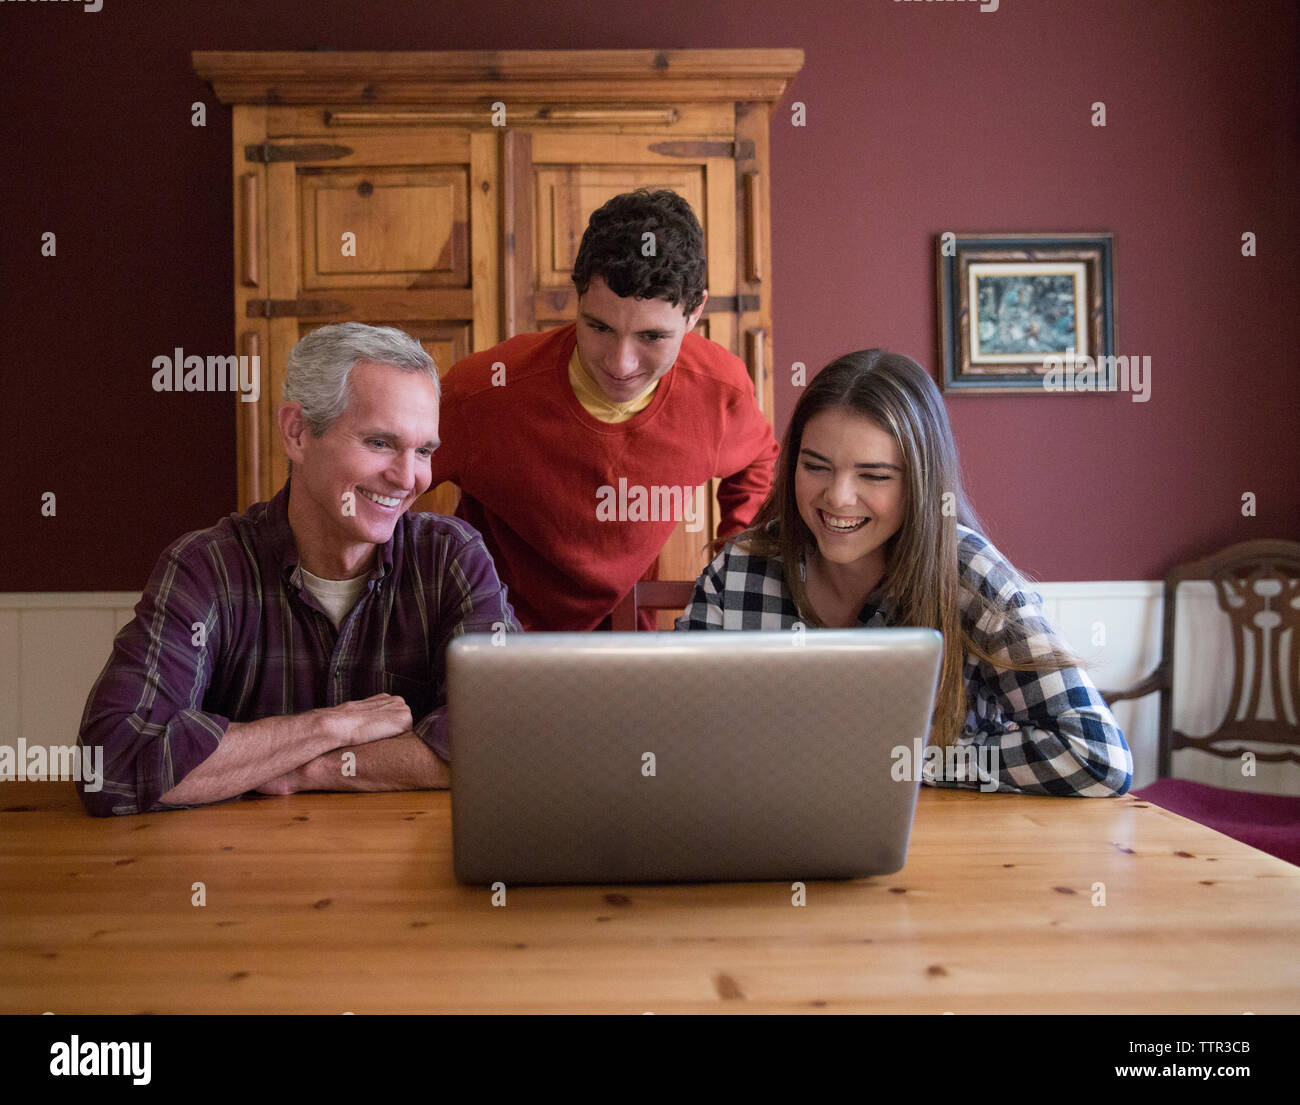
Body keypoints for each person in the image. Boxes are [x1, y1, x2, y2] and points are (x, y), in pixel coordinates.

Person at [77, 323, 517, 816]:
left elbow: (510, 742)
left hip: (407, 880)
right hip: (238, 881)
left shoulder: (452, 558)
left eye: (424, 451)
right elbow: (112, 762)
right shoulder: (207, 568)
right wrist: (330, 726)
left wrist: (307, 768)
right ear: (297, 433)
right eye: (378, 442)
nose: (408, 476)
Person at [676, 349, 1132, 797]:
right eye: (816, 466)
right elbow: (670, 730)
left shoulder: (971, 575)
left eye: (873, 476)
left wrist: (905, 761)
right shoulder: (739, 567)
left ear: (919, 481)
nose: (837, 498)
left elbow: (1095, 754)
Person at [426, 189, 779, 630]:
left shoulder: (719, 390)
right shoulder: (482, 390)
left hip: (628, 645)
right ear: (577, 300)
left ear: (694, 313)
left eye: (652, 337)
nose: (620, 363)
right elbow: (386, 477)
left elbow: (759, 462)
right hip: (493, 645)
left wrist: (738, 556)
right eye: (599, 327)